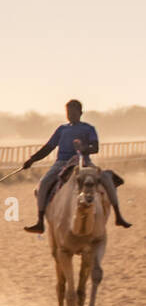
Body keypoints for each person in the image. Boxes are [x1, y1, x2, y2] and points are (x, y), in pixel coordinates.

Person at [23, 99, 131, 233]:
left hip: (84, 163)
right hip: (61, 163)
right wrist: (32, 160)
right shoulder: (62, 129)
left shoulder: (89, 128)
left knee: (106, 179)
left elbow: (95, 148)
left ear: (80, 113)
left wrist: (83, 148)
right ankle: (40, 222)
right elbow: (48, 148)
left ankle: (118, 215)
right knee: (44, 183)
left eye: (73, 112)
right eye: (68, 112)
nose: (70, 115)